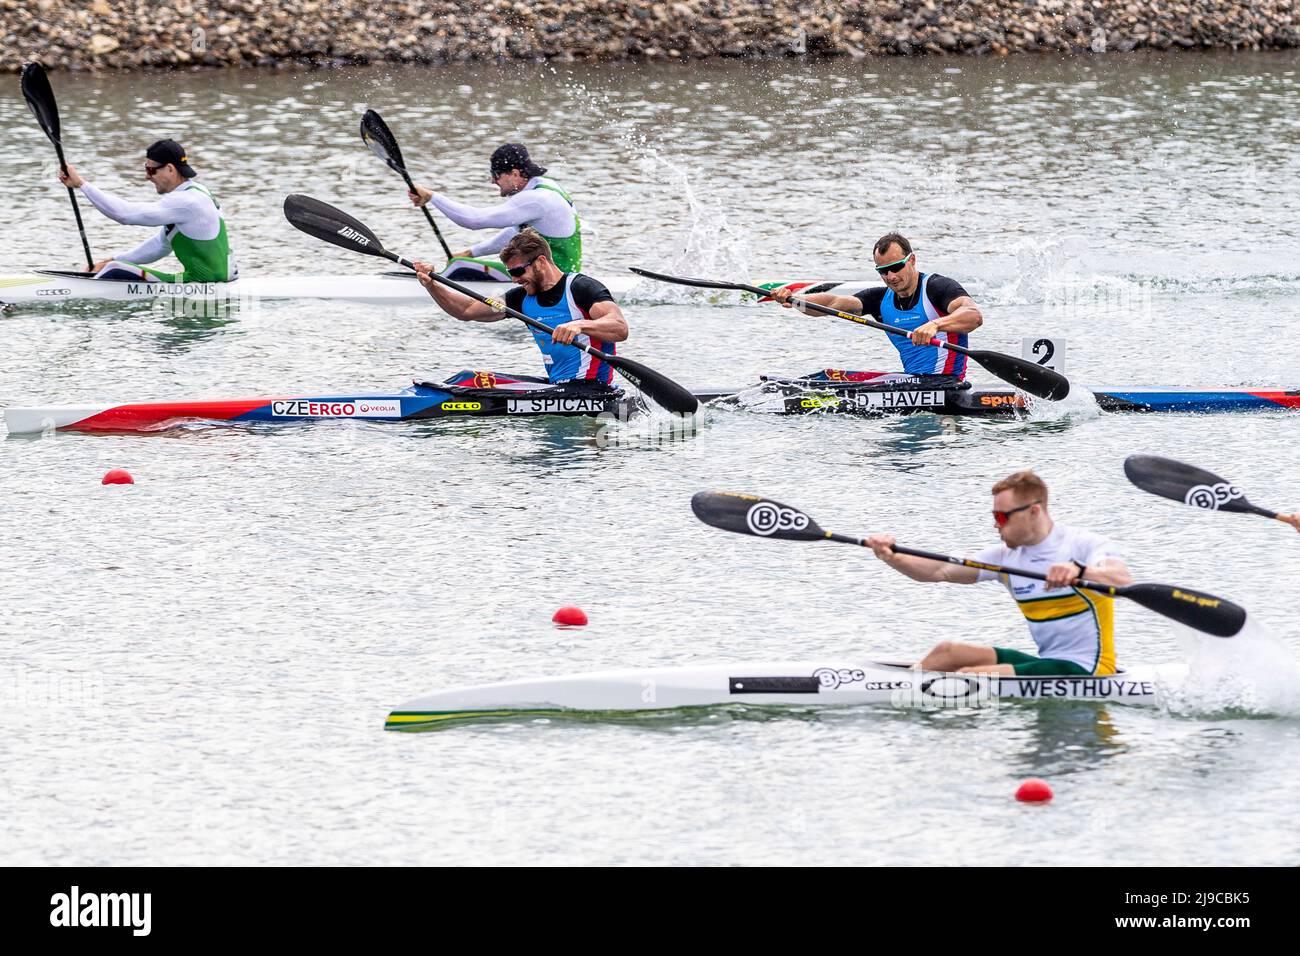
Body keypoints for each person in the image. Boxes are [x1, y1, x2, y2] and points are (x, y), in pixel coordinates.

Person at [866, 470, 1133, 676]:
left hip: (1089, 670)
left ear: (1033, 511)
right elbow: (939, 570)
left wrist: (1081, 570)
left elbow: (1122, 580)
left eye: (1002, 517)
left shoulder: (1083, 544)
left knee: (971, 677)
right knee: (947, 652)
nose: (995, 524)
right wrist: (892, 556)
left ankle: (909, 699)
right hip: (1049, 664)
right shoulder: (1004, 558)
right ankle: (898, 694)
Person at [412, 227, 625, 385]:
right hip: (558, 388)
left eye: (517, 272)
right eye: (510, 274)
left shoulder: (581, 288)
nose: (515, 280)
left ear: (541, 262)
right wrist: (431, 284)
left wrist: (580, 325)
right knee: (469, 380)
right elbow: (466, 310)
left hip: (594, 390)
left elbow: (619, 327)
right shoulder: (520, 299)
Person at [771, 232, 982, 383]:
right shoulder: (880, 298)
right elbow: (832, 303)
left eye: (896, 267)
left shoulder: (938, 287)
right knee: (827, 377)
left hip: (947, 384)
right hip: (911, 382)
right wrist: (795, 299)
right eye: (883, 271)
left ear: (912, 260)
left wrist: (936, 325)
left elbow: (973, 316)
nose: (891, 276)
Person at [57, 140, 237, 283]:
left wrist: (82, 184)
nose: (147, 176)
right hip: (221, 280)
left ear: (170, 169)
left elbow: (124, 215)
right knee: (113, 264)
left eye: (151, 170)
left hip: (199, 283)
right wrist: (112, 258)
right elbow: (160, 245)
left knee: (114, 269)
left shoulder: (185, 202)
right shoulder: (198, 192)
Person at [408, 143, 582, 279]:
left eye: (497, 174)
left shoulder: (536, 199)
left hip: (551, 277)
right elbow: (514, 235)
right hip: (559, 271)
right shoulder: (546, 186)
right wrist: (472, 253)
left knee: (459, 266)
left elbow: (474, 221)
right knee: (463, 261)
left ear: (515, 174)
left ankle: (430, 285)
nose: (493, 181)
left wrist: (432, 197)